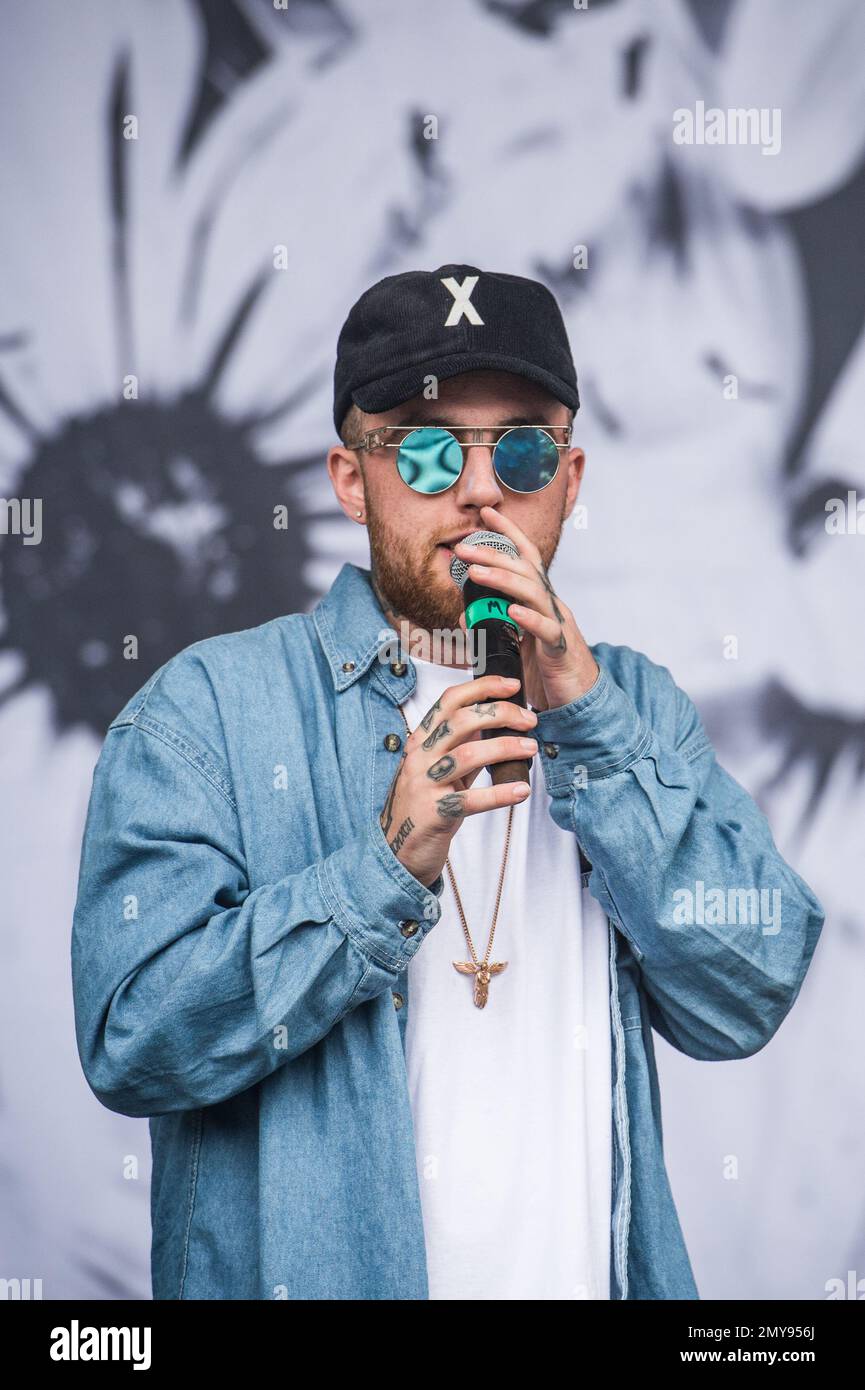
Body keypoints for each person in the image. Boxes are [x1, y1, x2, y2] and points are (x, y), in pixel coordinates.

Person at [71, 263, 825, 1300]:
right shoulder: (205, 710)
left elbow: (749, 989)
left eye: (519, 447)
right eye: (425, 451)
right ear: (350, 478)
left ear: (569, 477)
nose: (478, 488)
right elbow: (132, 1042)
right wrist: (380, 871)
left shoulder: (633, 704)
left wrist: (591, 723)